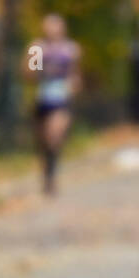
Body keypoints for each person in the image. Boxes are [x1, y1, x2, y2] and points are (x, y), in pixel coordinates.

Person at [26, 14, 81, 196]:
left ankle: (52, 174)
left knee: (54, 135)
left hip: (61, 100)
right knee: (43, 142)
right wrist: (38, 65)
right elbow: (29, 74)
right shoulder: (38, 47)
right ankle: (48, 174)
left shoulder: (70, 49)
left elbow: (75, 74)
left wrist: (73, 85)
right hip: (42, 98)